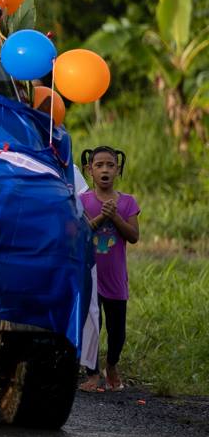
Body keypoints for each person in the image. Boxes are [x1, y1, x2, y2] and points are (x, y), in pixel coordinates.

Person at [78, 146, 140, 393]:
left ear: (118, 169)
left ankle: (111, 365)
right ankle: (92, 374)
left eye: (110, 165)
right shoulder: (83, 201)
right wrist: (100, 218)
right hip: (90, 277)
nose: (105, 170)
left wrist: (115, 217)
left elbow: (133, 236)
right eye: (99, 165)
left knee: (117, 332)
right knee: (91, 326)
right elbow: (79, 233)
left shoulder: (127, 202)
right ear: (89, 170)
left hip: (115, 278)